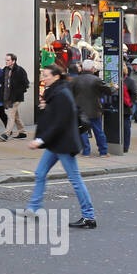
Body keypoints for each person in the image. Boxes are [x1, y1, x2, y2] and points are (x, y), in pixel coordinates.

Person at [16, 63, 97, 229]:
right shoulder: (54, 92)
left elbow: (60, 122)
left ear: (56, 76)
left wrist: (40, 140)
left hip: (64, 144)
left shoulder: (62, 93)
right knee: (40, 173)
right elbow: (53, 117)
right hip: (55, 143)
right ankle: (33, 209)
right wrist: (46, 107)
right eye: (43, 75)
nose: (43, 78)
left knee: (75, 179)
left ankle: (89, 216)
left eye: (46, 75)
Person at [70, 59, 111, 157]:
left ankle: (86, 152)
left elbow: (71, 94)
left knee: (83, 132)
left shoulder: (75, 80)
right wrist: (115, 87)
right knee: (99, 132)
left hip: (80, 111)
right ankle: (103, 152)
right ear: (92, 69)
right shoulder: (96, 80)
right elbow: (108, 91)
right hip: (94, 110)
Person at [0, 53, 31, 141]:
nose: (6, 61)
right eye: (6, 60)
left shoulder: (20, 70)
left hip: (16, 97)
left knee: (10, 114)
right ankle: (22, 132)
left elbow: (26, 84)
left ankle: (6, 134)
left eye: (8, 60)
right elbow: (1, 82)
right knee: (15, 116)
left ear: (13, 61)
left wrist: (18, 93)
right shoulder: (5, 70)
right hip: (7, 96)